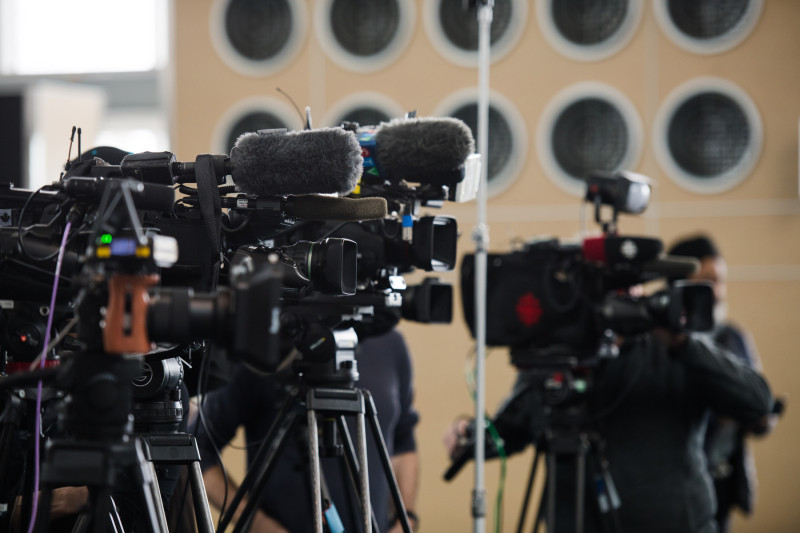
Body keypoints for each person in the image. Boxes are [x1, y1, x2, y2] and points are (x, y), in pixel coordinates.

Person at [445, 292, 774, 532]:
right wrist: (470, 436)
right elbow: (515, 427)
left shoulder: (672, 348)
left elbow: (757, 401)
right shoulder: (558, 355)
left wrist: (681, 343)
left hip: (672, 523)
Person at [194, 327, 420, 532]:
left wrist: (406, 518)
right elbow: (199, 447)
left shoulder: (391, 343)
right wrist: (256, 523)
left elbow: (403, 442)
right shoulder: (267, 348)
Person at [668, 234, 778, 533]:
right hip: (679, 492)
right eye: (707, 280)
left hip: (724, 485)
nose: (717, 292)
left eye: (720, 280)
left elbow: (759, 402)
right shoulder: (662, 346)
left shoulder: (735, 338)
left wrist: (758, 416)